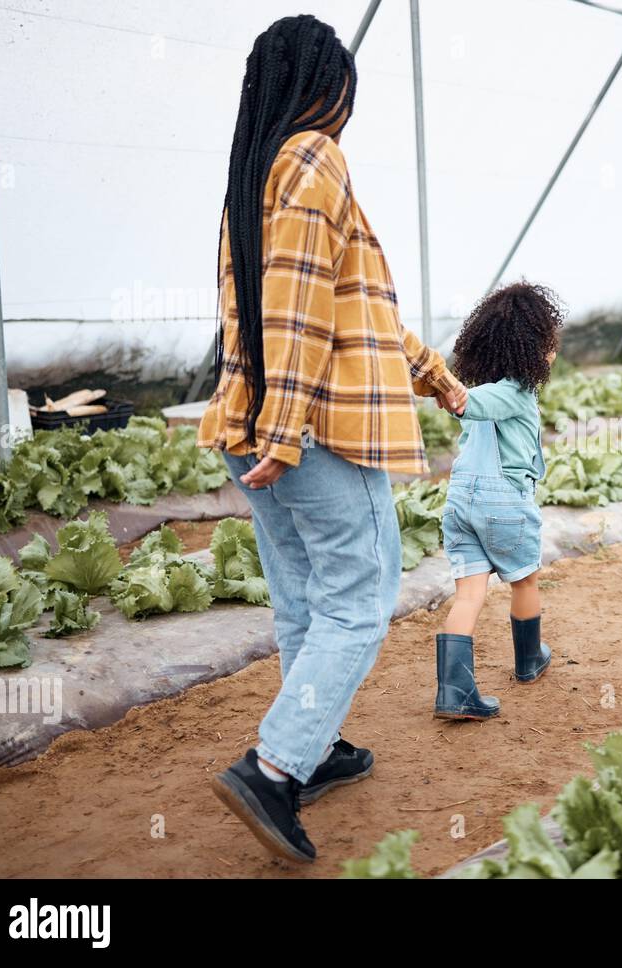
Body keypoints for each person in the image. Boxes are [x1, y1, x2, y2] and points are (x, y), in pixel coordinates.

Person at [197, 15, 467, 864]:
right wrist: (285, 430)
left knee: (303, 602)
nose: (346, 106)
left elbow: (359, 312)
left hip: (255, 426)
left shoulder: (254, 174)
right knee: (361, 596)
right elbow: (300, 314)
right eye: (342, 88)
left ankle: (314, 747)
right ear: (322, 86)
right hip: (313, 433)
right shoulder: (315, 158)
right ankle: (276, 768)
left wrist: (438, 379)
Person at [434, 283, 564, 720]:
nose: (552, 352)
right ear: (532, 347)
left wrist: (460, 397)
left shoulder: (491, 392)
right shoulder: (516, 393)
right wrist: (460, 399)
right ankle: (529, 661)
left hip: (459, 503)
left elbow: (477, 405)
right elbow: (478, 403)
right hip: (502, 503)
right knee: (524, 580)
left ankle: (454, 691)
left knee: (469, 593)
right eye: (549, 343)